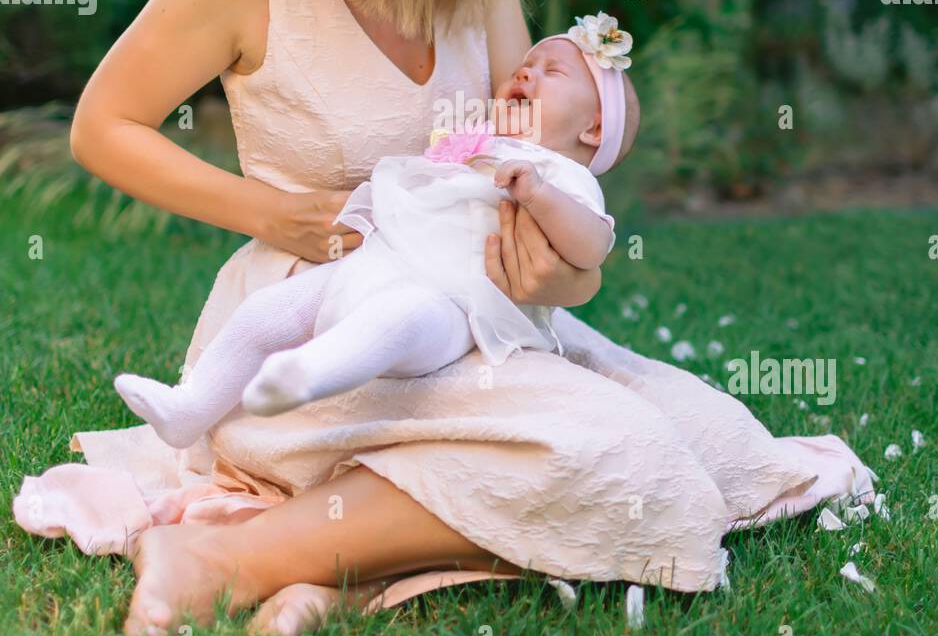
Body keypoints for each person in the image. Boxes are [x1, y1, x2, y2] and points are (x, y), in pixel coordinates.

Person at [13, 0, 874, 636]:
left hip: (472, 324)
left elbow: (534, 178)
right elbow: (103, 127)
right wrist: (272, 213)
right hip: (321, 327)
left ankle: (337, 578)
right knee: (618, 454)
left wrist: (562, 280)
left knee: (712, 450)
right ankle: (229, 562)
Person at [112, 22, 639, 445]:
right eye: (525, 66)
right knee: (267, 312)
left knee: (396, 323)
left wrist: (539, 194)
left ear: (592, 129)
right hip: (376, 263)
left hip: (453, 304)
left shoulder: (566, 178)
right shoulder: (485, 139)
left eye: (552, 72)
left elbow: (592, 247)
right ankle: (189, 408)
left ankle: (304, 376)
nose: (526, 72)